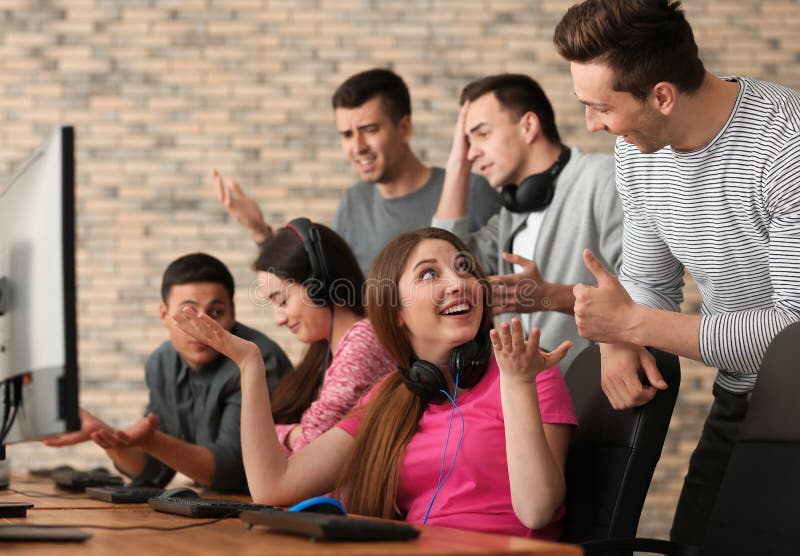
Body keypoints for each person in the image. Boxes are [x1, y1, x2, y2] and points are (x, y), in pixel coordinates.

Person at [553, 0, 800, 545]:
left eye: (601, 108)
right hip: (741, 395)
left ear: (662, 96)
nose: (592, 126)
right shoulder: (637, 150)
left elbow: (794, 338)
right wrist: (620, 335)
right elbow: (649, 281)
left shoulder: (787, 147)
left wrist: (631, 325)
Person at [172, 227, 578, 539]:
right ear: (396, 311)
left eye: (464, 268)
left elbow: (537, 510)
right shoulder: (392, 395)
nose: (457, 283)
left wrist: (518, 384)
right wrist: (249, 365)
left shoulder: (528, 372)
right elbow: (273, 487)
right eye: (429, 274)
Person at [213, 68, 502, 275]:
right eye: (347, 135)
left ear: (404, 128)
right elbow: (322, 287)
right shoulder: (354, 201)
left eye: (369, 130)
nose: (358, 147)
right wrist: (260, 232)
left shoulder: (473, 192)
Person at [45, 253, 292, 493]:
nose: (201, 327)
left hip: (271, 505)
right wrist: (102, 433)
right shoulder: (161, 363)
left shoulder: (258, 360)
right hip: (214, 505)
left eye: (216, 313)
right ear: (163, 315)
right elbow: (153, 470)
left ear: (233, 312)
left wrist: (151, 440)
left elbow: (229, 471)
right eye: (187, 313)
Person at [433, 73, 622, 371]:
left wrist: (548, 296)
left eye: (482, 134)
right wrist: (457, 167)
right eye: (467, 141)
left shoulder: (602, 180)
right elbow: (446, 263)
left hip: (596, 387)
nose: (472, 152)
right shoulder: (512, 213)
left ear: (529, 126)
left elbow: (643, 295)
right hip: (526, 392)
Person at [253, 218, 395, 454]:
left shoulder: (363, 342)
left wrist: (285, 435)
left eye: (282, 300)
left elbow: (308, 449)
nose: (278, 319)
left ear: (318, 285)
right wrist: (294, 433)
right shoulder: (330, 350)